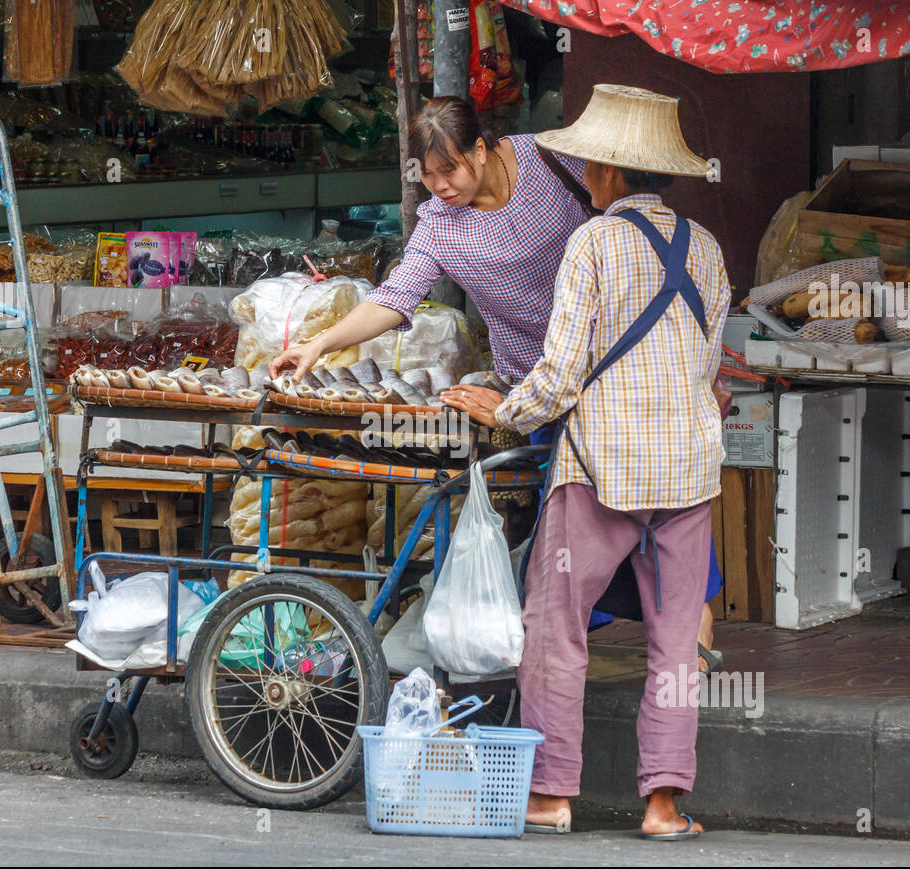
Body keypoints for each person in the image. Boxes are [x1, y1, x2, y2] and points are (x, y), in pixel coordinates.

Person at [270, 95, 725, 661]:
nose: (440, 186)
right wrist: (317, 345)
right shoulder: (440, 223)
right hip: (534, 392)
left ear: (482, 149)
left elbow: (631, 232)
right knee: (568, 550)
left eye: (451, 169)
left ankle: (686, 663)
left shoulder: (550, 163)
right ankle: (568, 675)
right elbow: (395, 298)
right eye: (428, 176)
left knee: (662, 540)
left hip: (616, 384)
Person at [443, 85, 730, 839]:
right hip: (687, 472)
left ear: (604, 168)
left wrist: (504, 410)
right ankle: (664, 805)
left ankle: (549, 794)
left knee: (555, 626)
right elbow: (703, 371)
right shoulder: (706, 250)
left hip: (601, 464)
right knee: (674, 638)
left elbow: (562, 373)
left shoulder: (594, 244)